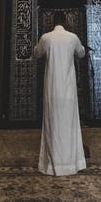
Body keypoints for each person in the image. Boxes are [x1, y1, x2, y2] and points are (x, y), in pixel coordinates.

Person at [32, 11, 86, 176]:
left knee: (52, 126)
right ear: (66, 22)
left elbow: (36, 54)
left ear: (52, 22)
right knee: (69, 125)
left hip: (52, 91)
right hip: (68, 91)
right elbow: (81, 53)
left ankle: (52, 165)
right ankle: (71, 164)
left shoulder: (46, 38)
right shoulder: (73, 37)